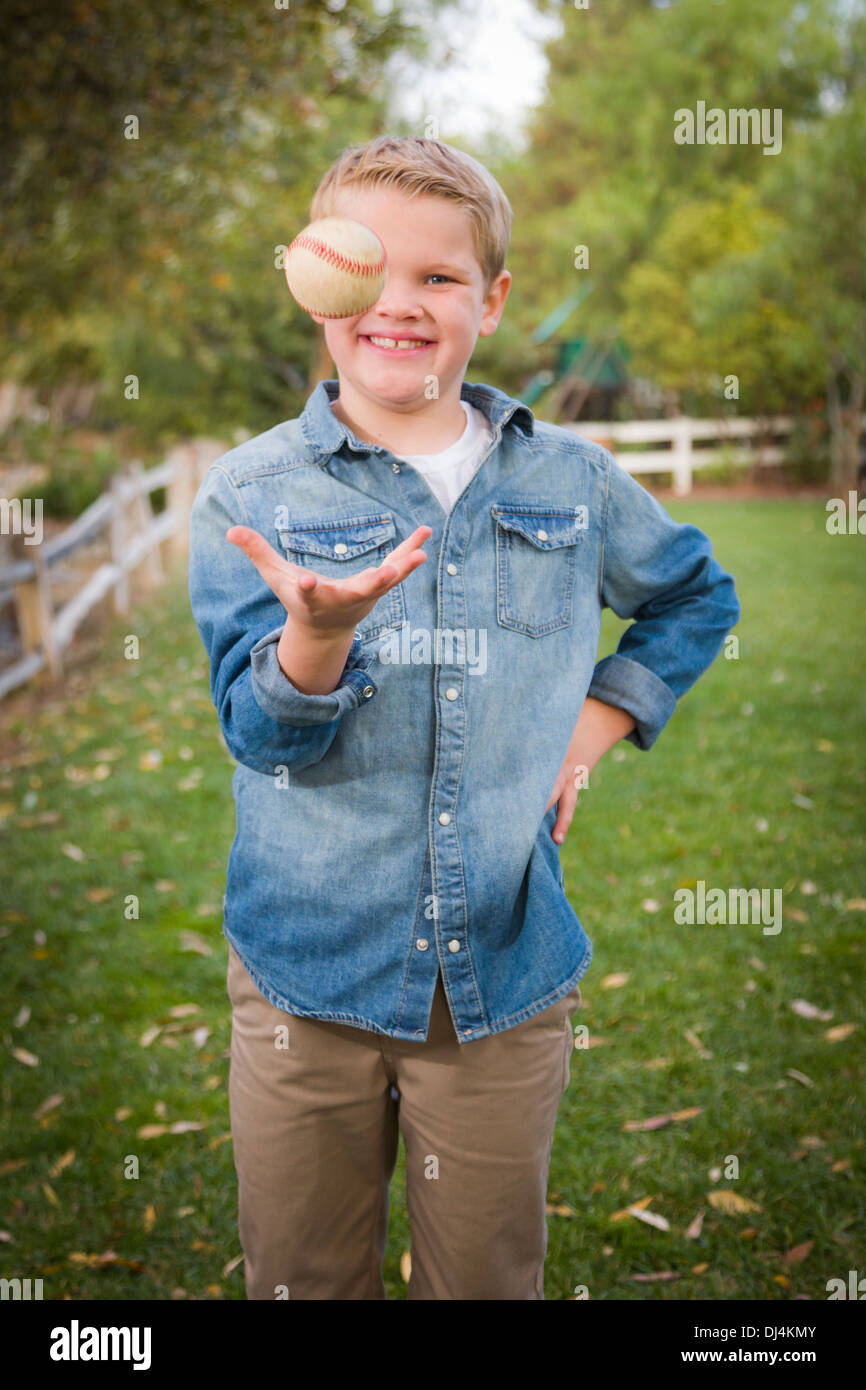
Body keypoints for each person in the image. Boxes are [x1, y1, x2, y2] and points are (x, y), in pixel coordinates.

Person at [187, 136, 740, 1300]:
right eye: (366, 268)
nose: (398, 301)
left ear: (488, 301)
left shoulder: (569, 482)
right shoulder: (254, 491)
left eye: (438, 278)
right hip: (306, 977)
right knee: (302, 1275)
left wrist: (589, 731)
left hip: (500, 969)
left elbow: (694, 593)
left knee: (486, 1278)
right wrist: (318, 634)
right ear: (310, 280)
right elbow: (259, 731)